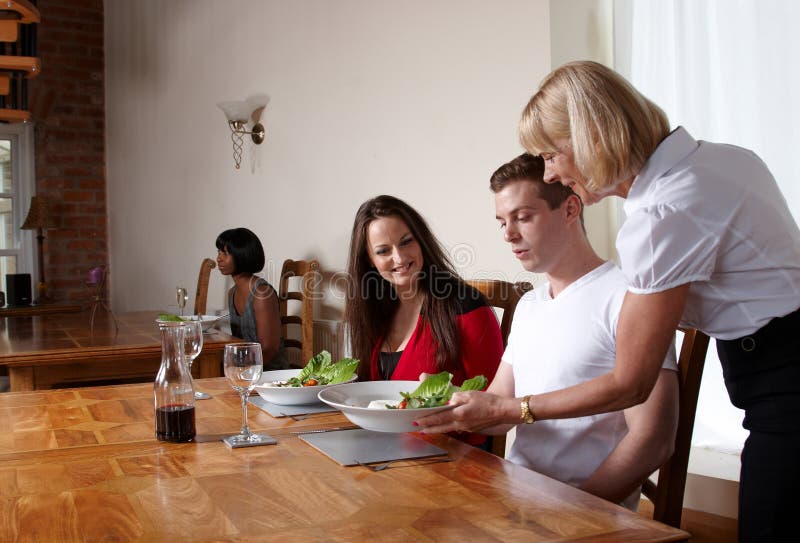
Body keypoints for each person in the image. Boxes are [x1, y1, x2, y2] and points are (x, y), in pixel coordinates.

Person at [421, 61, 800, 541]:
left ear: (590, 135)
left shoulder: (661, 215)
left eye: (550, 155)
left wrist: (513, 415)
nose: (552, 171)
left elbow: (631, 386)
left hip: (784, 383)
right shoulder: (725, 159)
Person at [434, 154, 679, 508]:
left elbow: (654, 439)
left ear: (569, 210)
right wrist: (435, 409)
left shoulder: (630, 296)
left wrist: (573, 514)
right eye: (502, 222)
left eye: (522, 217)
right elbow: (499, 412)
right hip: (516, 502)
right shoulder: (530, 305)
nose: (508, 234)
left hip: (584, 517)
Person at [343, 195, 503, 447]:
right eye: (383, 251)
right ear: (369, 260)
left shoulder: (466, 306)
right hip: (380, 450)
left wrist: (447, 399)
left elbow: (495, 407)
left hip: (451, 458)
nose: (399, 258)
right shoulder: (373, 311)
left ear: (421, 242)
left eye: (406, 242)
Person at [216, 227, 289, 370]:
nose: (219, 258)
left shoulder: (261, 293)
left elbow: (269, 349)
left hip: (270, 374)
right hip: (246, 370)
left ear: (241, 255)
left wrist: (239, 372)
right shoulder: (232, 293)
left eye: (225, 253)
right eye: (219, 252)